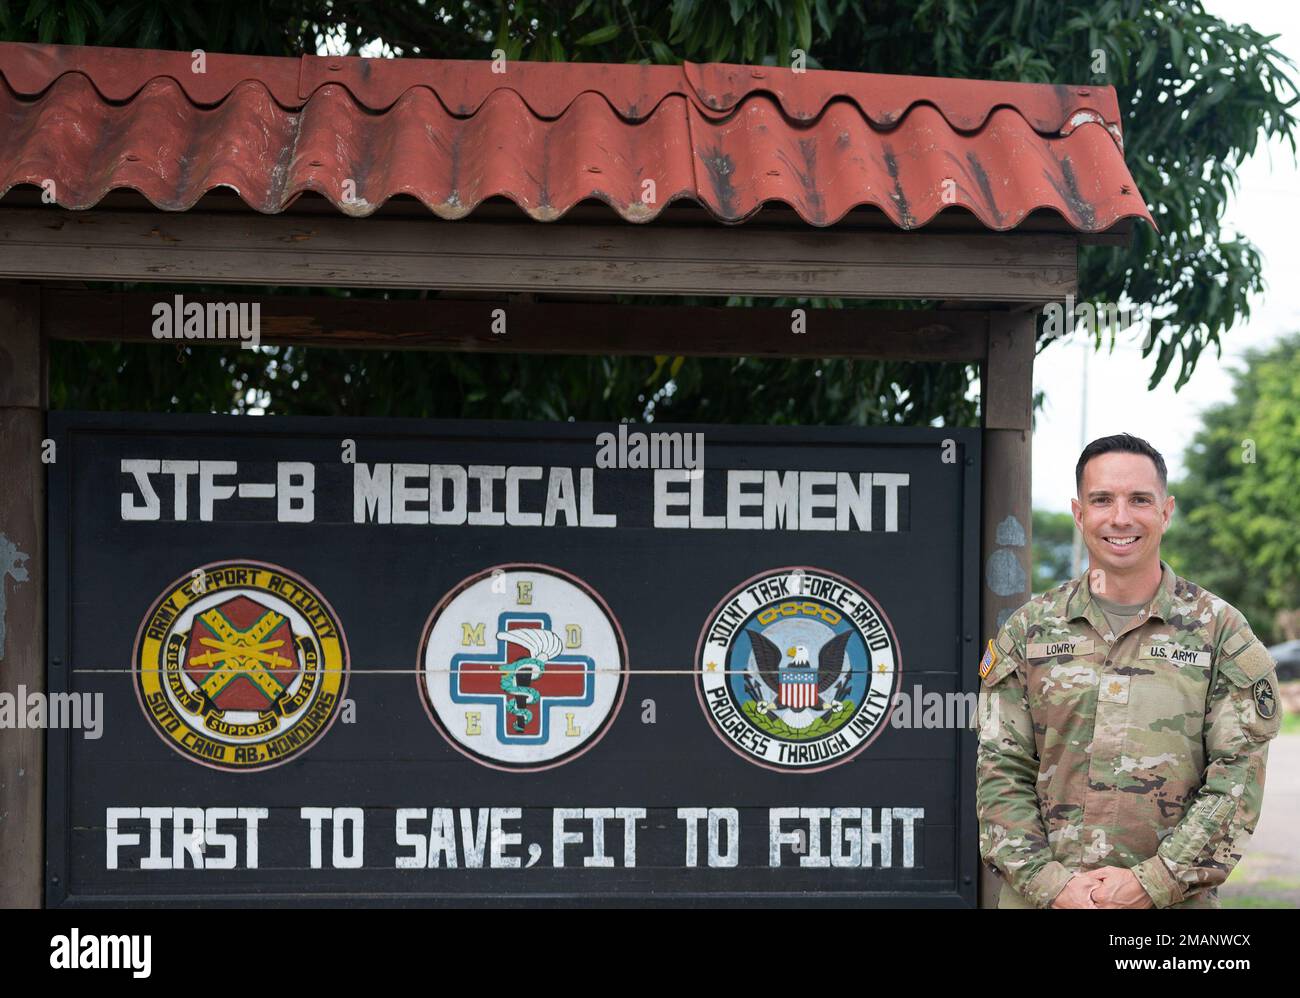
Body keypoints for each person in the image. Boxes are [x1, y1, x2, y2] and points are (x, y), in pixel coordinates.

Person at [974, 433, 1281, 909]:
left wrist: (1153, 883)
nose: (1120, 517)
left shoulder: (1220, 631)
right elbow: (1001, 770)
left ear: (1166, 510)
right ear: (1080, 514)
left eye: (1139, 499)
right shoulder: (1029, 631)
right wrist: (1051, 885)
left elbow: (1235, 779)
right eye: (1102, 500)